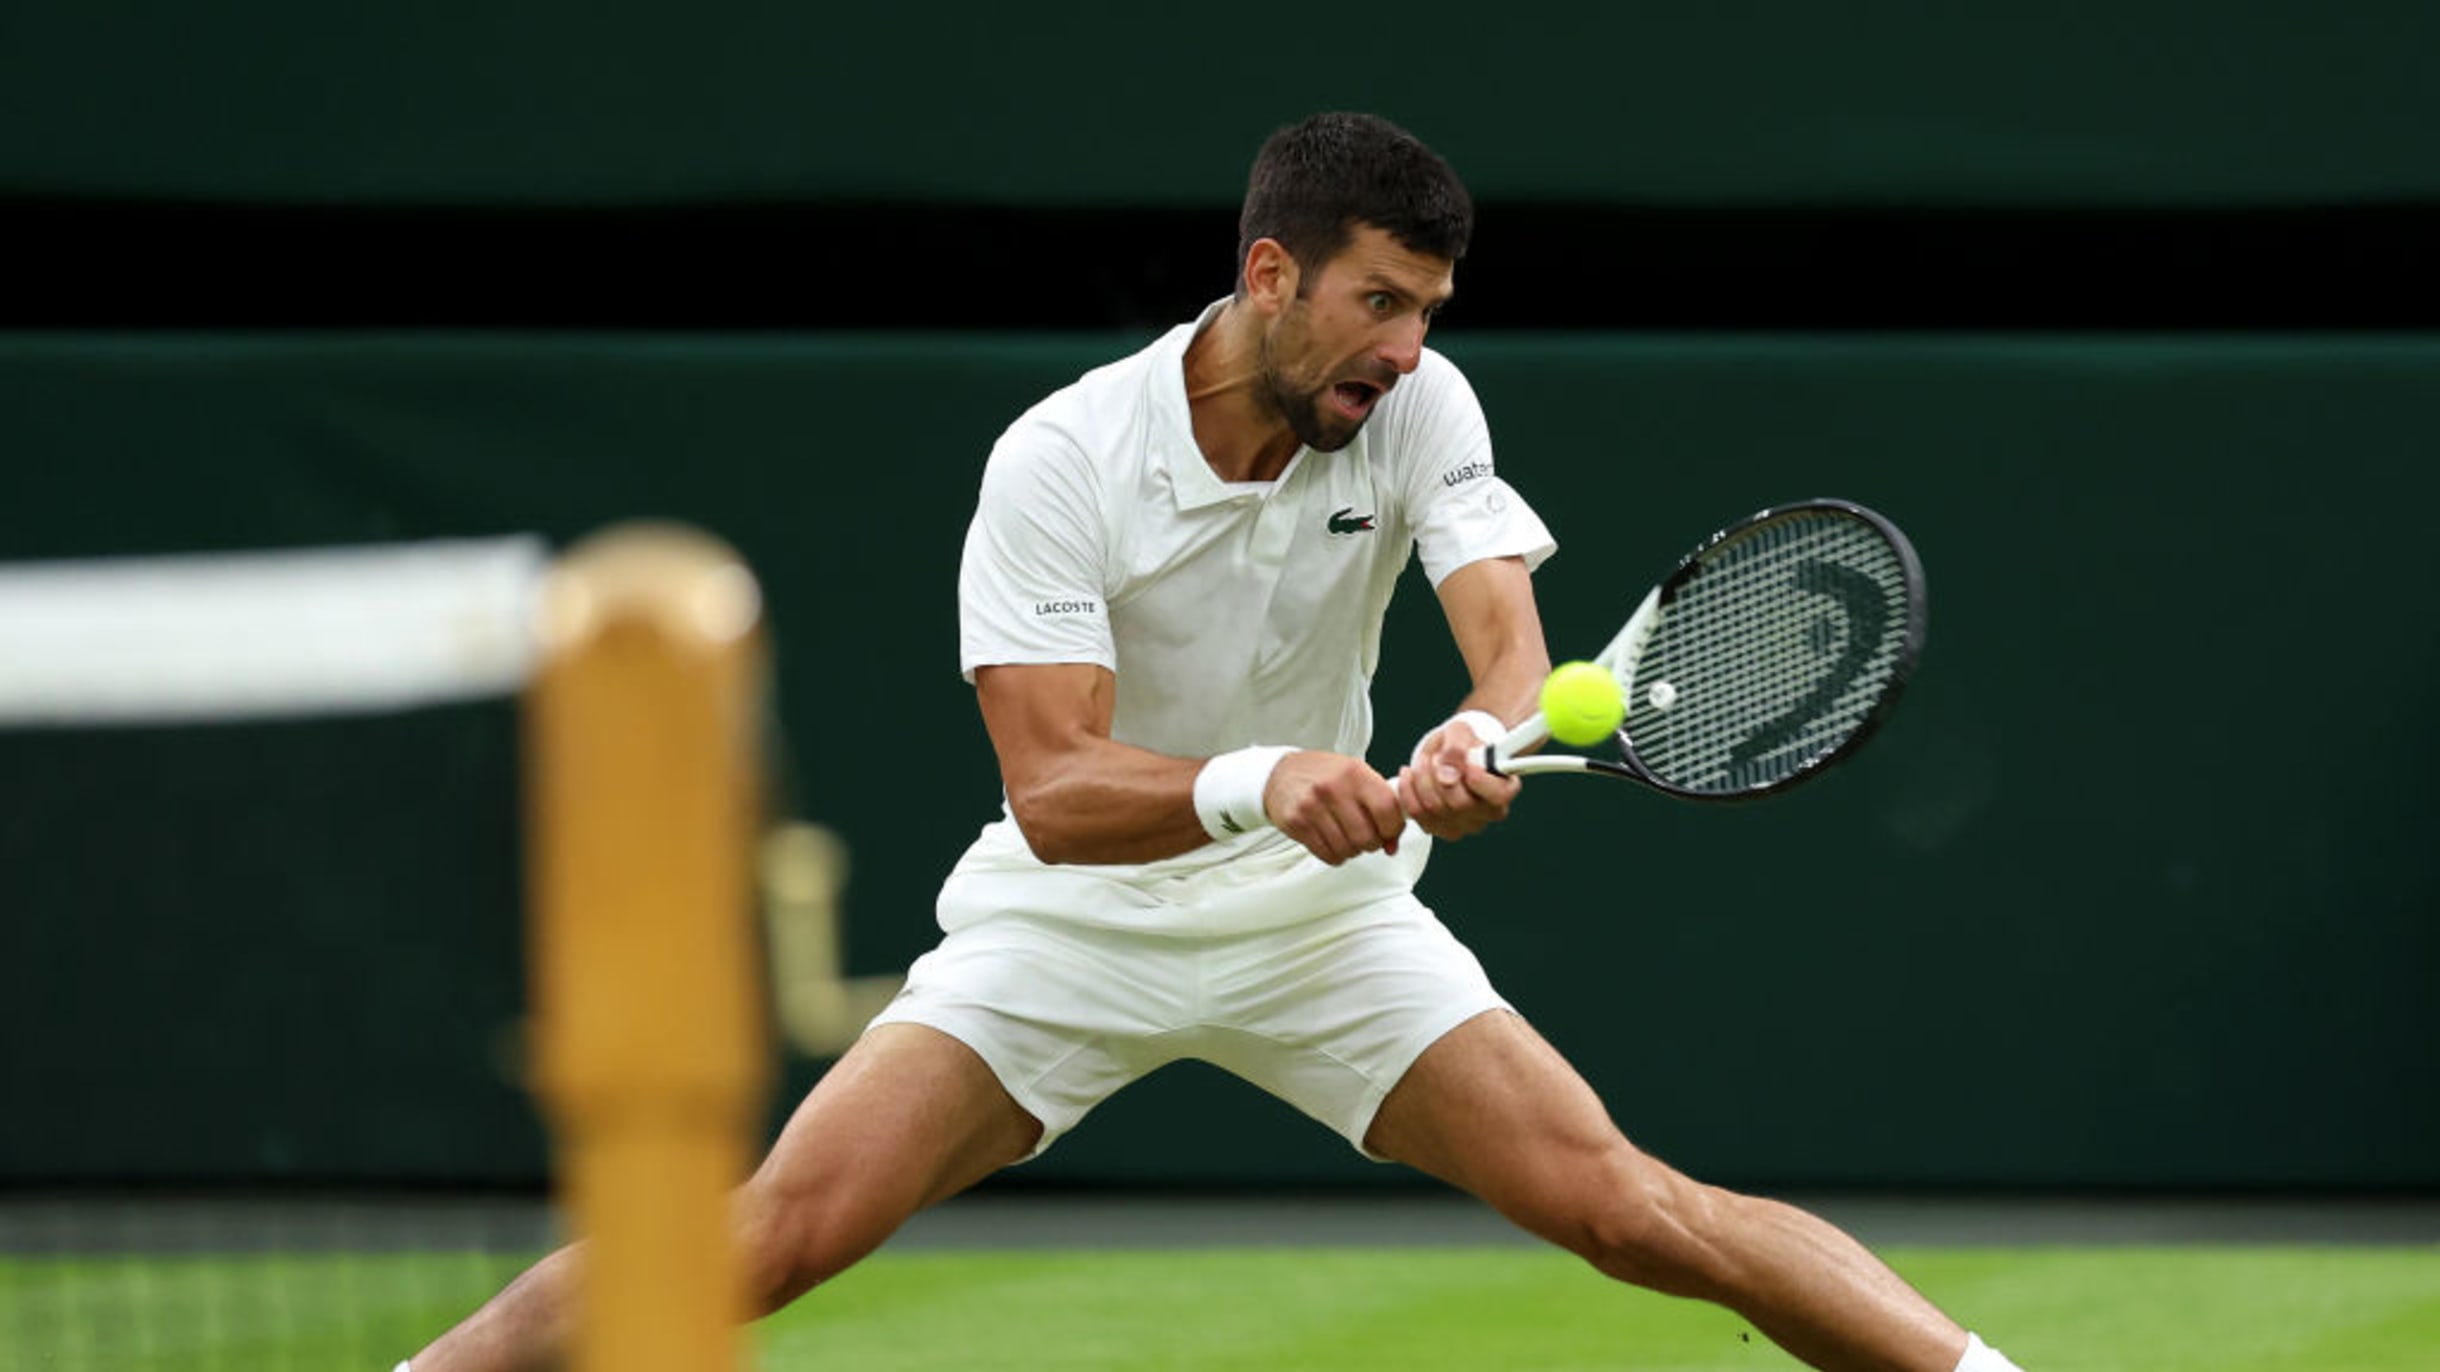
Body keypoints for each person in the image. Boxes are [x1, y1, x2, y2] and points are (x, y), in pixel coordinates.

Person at [404, 111, 2024, 1372]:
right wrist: (1263, 782)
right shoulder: (1060, 460)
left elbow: (1509, 648)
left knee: (1632, 1208)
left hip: (1324, 930)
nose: (1405, 348)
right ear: (1269, 276)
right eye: (1379, 302)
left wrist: (1473, 747)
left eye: (1431, 312)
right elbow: (1051, 792)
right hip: (1077, 926)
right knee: (766, 1239)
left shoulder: (1419, 408)